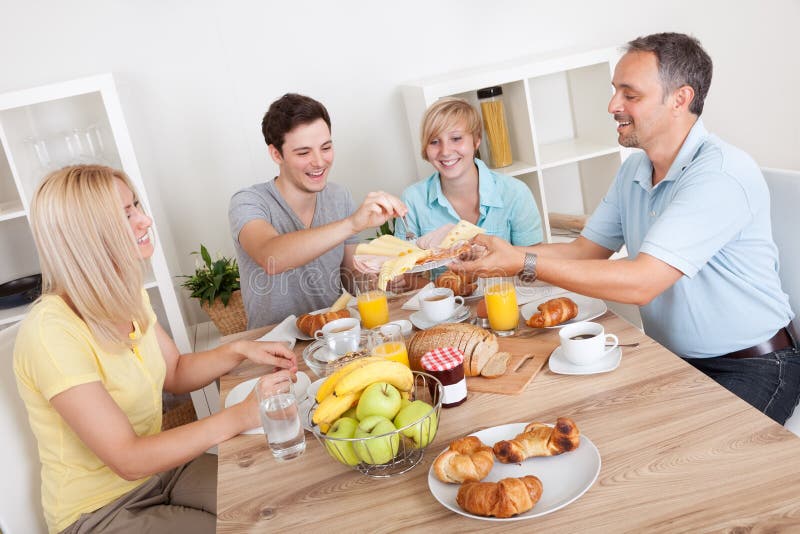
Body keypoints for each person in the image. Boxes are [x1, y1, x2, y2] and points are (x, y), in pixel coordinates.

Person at [456, 32, 800, 424]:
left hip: (753, 366)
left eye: (629, 94)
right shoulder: (636, 169)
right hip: (675, 359)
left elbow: (642, 282)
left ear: (680, 99)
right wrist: (502, 253)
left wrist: (523, 261)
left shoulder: (719, 174)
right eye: (614, 91)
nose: (612, 105)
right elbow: (585, 250)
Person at [14, 165, 297, 533]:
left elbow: (175, 371)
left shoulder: (124, 292)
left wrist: (240, 350)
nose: (145, 219)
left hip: (166, 470)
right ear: (85, 235)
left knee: (276, 500)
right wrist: (240, 416)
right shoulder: (49, 332)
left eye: (136, 206)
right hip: (99, 511)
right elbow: (128, 459)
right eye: (126, 213)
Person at [229, 93, 407, 328]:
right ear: (276, 154)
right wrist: (353, 223)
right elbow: (271, 258)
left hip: (335, 330)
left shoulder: (338, 196)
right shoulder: (249, 201)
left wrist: (379, 280)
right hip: (273, 343)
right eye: (303, 153)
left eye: (326, 147)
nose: (319, 161)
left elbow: (350, 276)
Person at [397, 97, 543, 247]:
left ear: (476, 140)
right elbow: (401, 264)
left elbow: (533, 264)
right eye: (434, 142)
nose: (445, 151)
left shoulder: (515, 193)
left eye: (456, 138)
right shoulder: (412, 200)